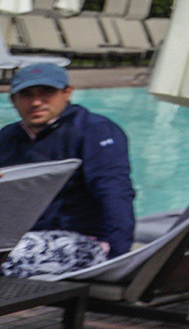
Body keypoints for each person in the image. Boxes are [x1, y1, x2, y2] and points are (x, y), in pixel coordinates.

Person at [0, 61, 136, 278]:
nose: (36, 102)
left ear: (67, 93)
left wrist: (119, 256)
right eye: (26, 94)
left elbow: (114, 191)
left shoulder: (94, 131)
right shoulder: (8, 137)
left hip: (84, 240)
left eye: (47, 92)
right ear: (13, 100)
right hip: (21, 239)